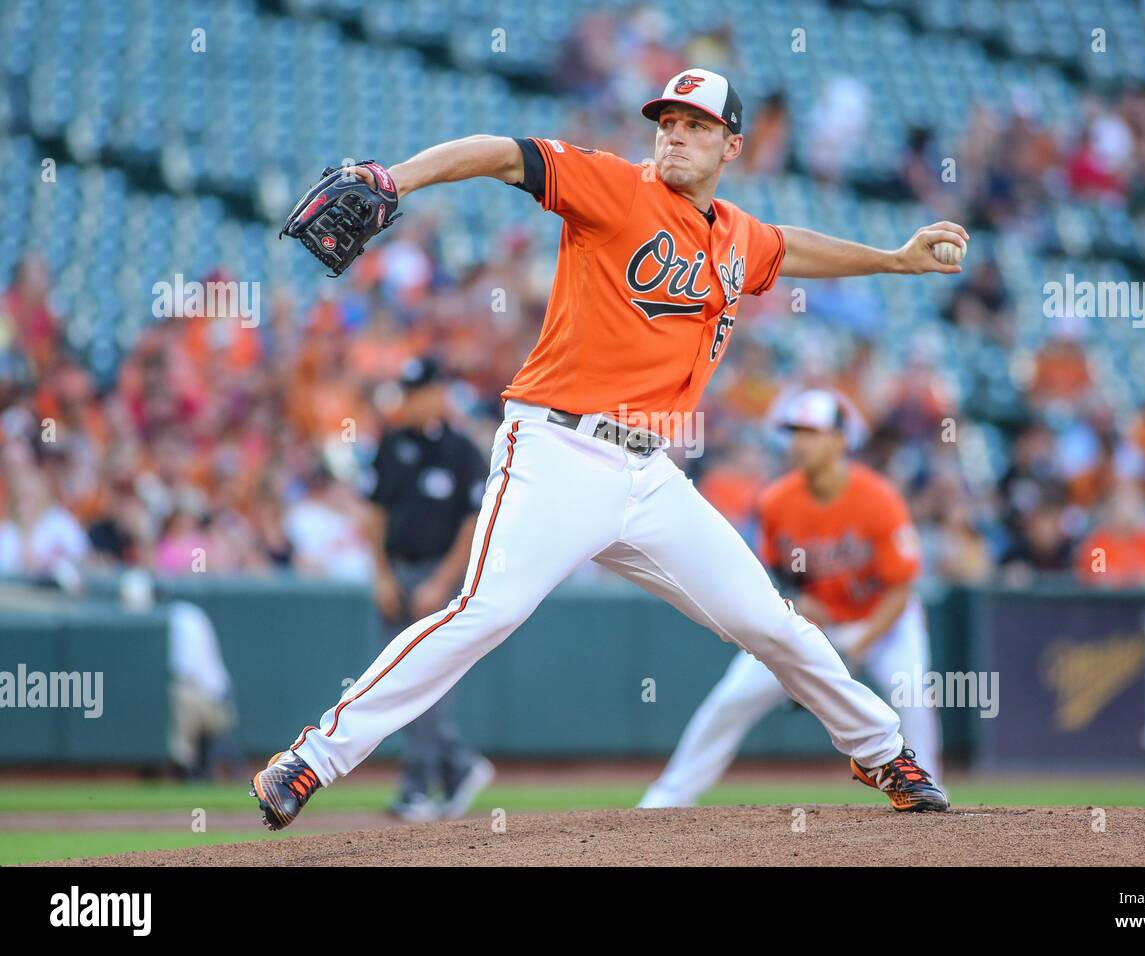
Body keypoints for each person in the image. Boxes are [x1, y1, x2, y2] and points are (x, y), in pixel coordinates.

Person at [251, 67, 967, 830]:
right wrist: (395, 177)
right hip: (558, 448)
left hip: (650, 474)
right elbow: (500, 153)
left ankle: (883, 753)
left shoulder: (736, 236)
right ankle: (313, 758)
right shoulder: (614, 188)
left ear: (732, 144)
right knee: (486, 611)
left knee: (769, 622)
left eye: (695, 125)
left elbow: (790, 249)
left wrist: (894, 258)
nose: (675, 135)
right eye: (667, 122)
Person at [640, 389, 942, 808]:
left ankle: (926, 789)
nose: (800, 442)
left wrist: (858, 646)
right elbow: (776, 573)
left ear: (840, 440)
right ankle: (668, 798)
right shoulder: (776, 500)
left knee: (911, 692)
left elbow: (901, 589)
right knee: (731, 699)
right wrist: (800, 602)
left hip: (881, 622)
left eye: (811, 432)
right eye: (795, 432)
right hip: (816, 622)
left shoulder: (879, 499)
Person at [358, 356, 495, 820]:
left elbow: (473, 522)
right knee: (397, 679)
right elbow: (373, 514)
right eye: (408, 392)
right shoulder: (390, 444)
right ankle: (456, 767)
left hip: (440, 573)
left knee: (426, 681)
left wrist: (442, 581)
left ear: (438, 394)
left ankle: (419, 785)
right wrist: (380, 573)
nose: (411, 401)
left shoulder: (461, 450)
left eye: (419, 393)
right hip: (397, 571)